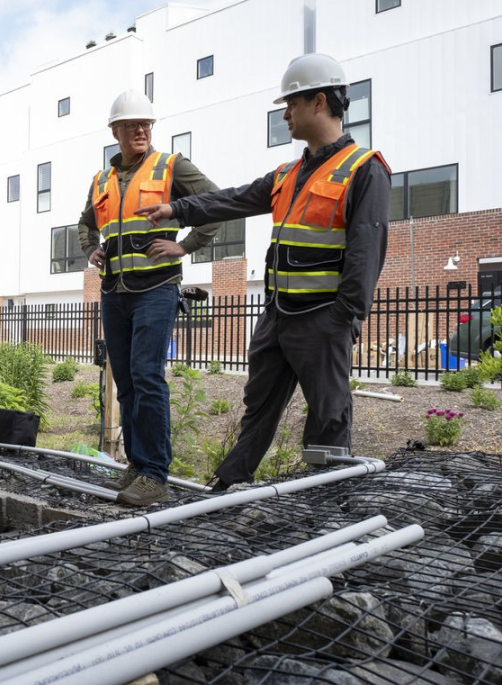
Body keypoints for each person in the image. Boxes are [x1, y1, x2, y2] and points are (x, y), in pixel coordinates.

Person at [137, 53, 391, 489]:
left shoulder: (364, 169)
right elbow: (232, 199)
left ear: (319, 102)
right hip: (279, 315)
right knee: (259, 405)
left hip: (324, 318)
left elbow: (366, 253)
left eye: (291, 104)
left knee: (328, 415)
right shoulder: (288, 173)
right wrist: (177, 209)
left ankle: (325, 498)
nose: (285, 114)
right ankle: (228, 485)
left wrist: (343, 316)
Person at [77, 89, 220, 507]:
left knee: (146, 375)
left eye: (146, 124)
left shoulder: (171, 166)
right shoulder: (101, 181)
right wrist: (90, 249)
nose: (140, 130)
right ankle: (137, 465)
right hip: (114, 292)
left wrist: (185, 245)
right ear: (115, 132)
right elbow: (85, 223)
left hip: (156, 289)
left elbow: (214, 204)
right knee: (125, 381)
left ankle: (155, 473)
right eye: (132, 125)